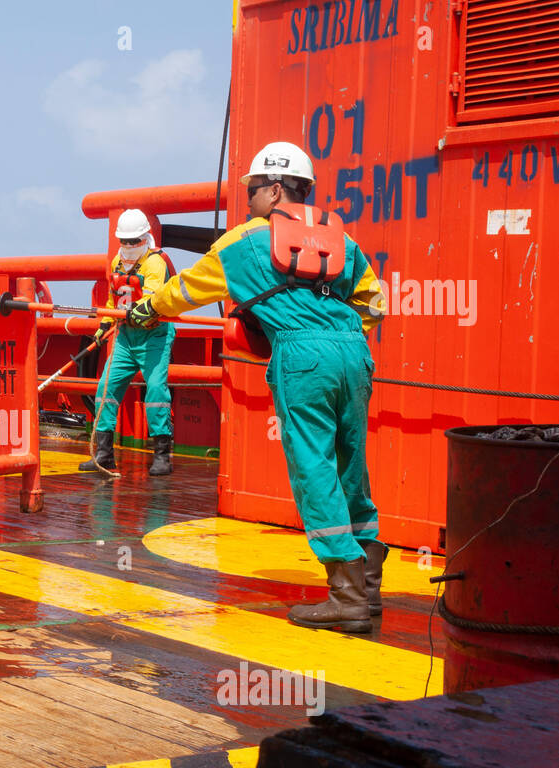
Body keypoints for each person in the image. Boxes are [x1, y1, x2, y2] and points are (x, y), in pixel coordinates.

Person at [127, 142, 388, 632]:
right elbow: (374, 303)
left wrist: (146, 309)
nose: (248, 200)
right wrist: (340, 335)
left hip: (303, 357)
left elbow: (185, 290)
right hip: (355, 352)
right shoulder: (341, 241)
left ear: (273, 189)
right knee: (352, 463)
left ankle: (345, 595)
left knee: (314, 467)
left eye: (251, 190)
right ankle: (369, 589)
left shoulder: (243, 243)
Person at [79, 209, 178, 477]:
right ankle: (104, 455)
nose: (129, 246)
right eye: (125, 241)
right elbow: (113, 301)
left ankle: (162, 455)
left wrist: (136, 314)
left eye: (134, 241)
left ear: (145, 237)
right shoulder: (116, 263)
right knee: (105, 390)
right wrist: (103, 327)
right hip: (125, 336)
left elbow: (152, 301)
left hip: (154, 335)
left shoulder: (155, 264)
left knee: (156, 391)